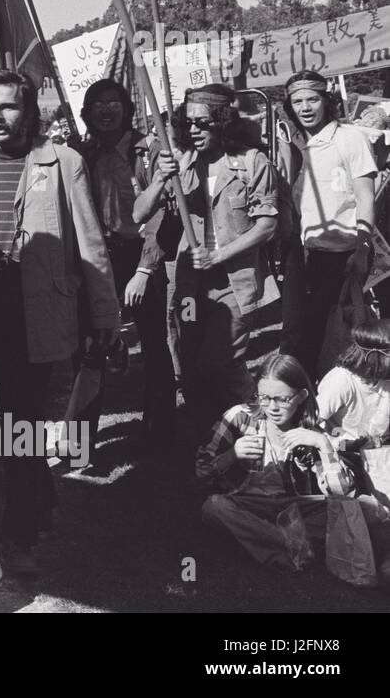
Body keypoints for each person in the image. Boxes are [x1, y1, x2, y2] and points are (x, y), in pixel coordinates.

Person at [0, 69, 119, 573]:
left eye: (8, 107)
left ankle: (20, 526)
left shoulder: (62, 161)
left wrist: (104, 313)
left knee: (15, 413)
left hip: (45, 307)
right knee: (14, 411)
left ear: (29, 111)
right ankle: (39, 504)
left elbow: (89, 241)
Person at [135, 85, 279, 431]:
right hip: (189, 286)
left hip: (233, 284)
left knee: (222, 359)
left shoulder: (251, 163)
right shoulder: (184, 166)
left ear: (222, 122)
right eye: (189, 123)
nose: (195, 130)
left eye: (203, 122)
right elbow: (139, 214)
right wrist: (160, 179)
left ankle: (258, 428)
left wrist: (218, 256)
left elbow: (267, 227)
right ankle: (207, 435)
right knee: (187, 358)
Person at [197, 353, 390, 578]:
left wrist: (324, 446)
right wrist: (232, 455)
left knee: (368, 511)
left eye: (282, 399)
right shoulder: (240, 418)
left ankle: (272, 544)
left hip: (298, 509)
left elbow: (341, 494)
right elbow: (202, 472)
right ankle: (293, 545)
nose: (272, 407)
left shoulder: (309, 431)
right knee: (213, 508)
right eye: (264, 398)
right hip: (248, 504)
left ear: (300, 397)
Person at [77, 79, 177, 447]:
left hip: (140, 255)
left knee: (153, 342)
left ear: (126, 107)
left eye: (113, 102)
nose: (106, 110)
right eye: (97, 104)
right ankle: (82, 437)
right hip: (98, 258)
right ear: (86, 113)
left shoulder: (150, 151)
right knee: (90, 344)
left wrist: (144, 269)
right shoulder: (81, 154)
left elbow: (162, 216)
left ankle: (161, 427)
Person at [278, 71, 376, 379]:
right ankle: (298, 393)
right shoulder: (292, 143)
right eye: (297, 101)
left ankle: (337, 393)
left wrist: (362, 247)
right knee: (296, 328)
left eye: (312, 99)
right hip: (301, 248)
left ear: (327, 100)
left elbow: (365, 196)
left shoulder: (350, 137)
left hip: (342, 248)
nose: (305, 107)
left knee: (332, 331)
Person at [315, 319, 390, 451]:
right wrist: (344, 446)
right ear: (376, 356)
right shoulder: (340, 381)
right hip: (344, 452)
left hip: (381, 451)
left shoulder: (384, 380)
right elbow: (309, 425)